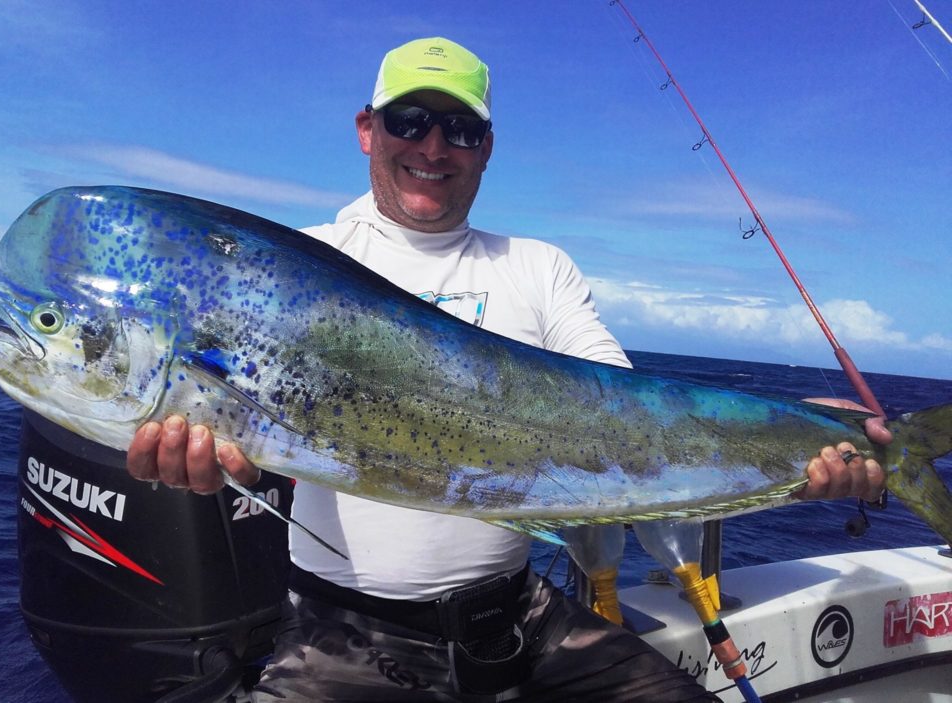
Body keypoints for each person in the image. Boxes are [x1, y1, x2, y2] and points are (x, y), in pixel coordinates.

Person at [126, 37, 890, 702]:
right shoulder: (291, 270)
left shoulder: (537, 267)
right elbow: (248, 423)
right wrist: (209, 463)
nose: (433, 146)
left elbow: (626, 406)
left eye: (460, 128)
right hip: (343, 638)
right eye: (409, 120)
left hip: (524, 618)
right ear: (367, 130)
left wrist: (805, 423)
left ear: (487, 147)